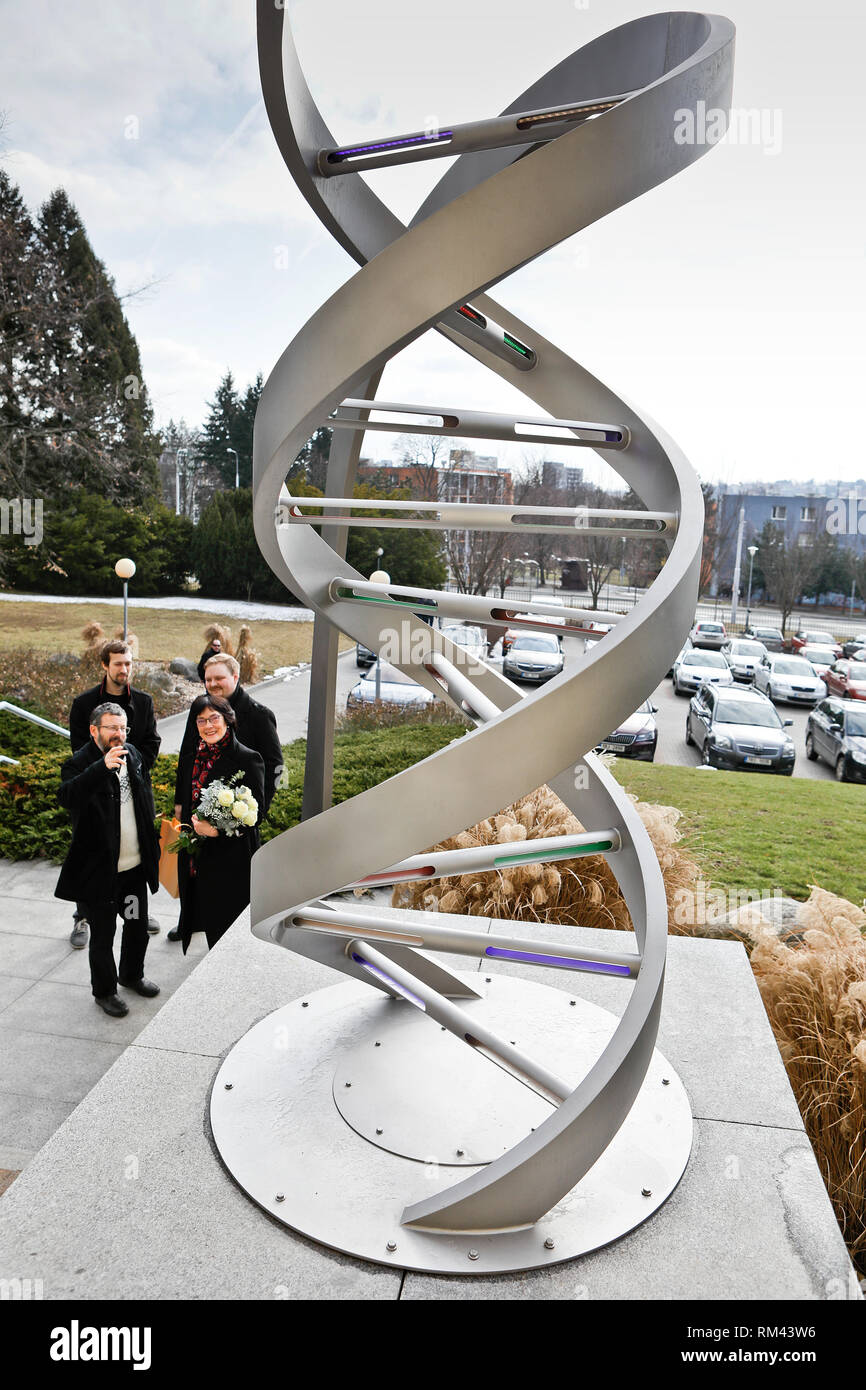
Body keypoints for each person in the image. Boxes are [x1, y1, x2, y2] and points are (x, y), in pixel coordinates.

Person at [55, 703, 161, 1018]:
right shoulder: (79, 764)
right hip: (101, 874)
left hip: (133, 869)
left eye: (123, 728)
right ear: (94, 730)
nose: (119, 734)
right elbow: (67, 797)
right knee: (103, 936)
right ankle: (105, 991)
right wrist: (101, 766)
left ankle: (131, 975)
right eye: (111, 728)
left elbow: (145, 797)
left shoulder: (134, 755)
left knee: (137, 925)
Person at [166, 654, 282, 942]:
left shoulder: (257, 714)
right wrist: (180, 805)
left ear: (236, 676)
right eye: (208, 679)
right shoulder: (200, 710)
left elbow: (275, 767)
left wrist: (252, 812)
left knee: (229, 905)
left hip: (235, 825)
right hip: (197, 828)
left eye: (219, 678)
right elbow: (185, 760)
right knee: (197, 886)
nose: (213, 684)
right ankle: (192, 921)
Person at [68, 641, 161, 948]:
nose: (125, 669)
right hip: (94, 794)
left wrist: (131, 764)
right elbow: (79, 751)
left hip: (128, 781)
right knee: (93, 858)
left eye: (129, 663)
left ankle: (134, 911)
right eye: (118, 663)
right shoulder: (84, 705)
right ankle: (84, 915)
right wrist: (103, 767)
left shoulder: (143, 702)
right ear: (105, 666)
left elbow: (151, 742)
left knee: (132, 859)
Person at [173, 693, 265, 954]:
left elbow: (254, 816)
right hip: (195, 856)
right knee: (203, 918)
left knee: (228, 931)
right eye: (201, 721)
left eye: (214, 718)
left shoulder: (248, 759)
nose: (208, 726)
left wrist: (216, 831)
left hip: (230, 861)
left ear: (228, 720)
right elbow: (185, 795)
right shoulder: (192, 755)